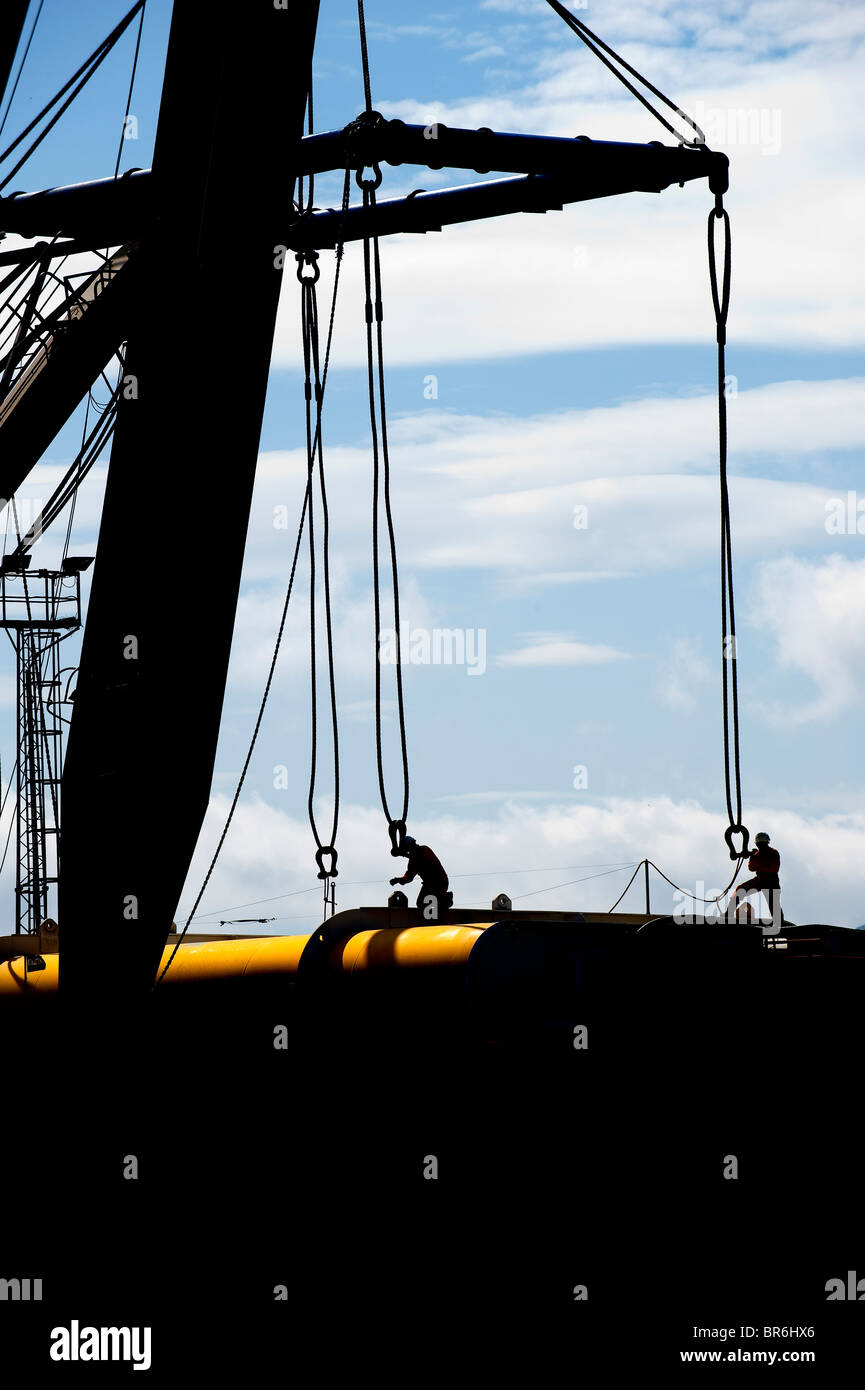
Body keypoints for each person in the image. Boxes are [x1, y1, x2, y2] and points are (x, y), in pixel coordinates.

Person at [729, 831, 784, 928]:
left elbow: (774, 868)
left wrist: (757, 859)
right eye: (760, 844)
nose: (761, 846)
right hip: (760, 880)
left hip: (771, 882)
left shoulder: (773, 853)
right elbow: (751, 867)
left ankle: (780, 923)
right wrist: (753, 857)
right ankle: (728, 912)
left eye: (762, 844)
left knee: (774, 905)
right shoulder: (758, 854)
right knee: (740, 889)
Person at [390, 836, 453, 917]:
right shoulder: (413, 861)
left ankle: (444, 900)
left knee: (427, 902)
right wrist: (398, 880)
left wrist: (406, 855)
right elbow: (408, 877)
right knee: (421, 903)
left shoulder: (424, 850)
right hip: (429, 884)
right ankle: (440, 905)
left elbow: (423, 860)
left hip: (439, 882)